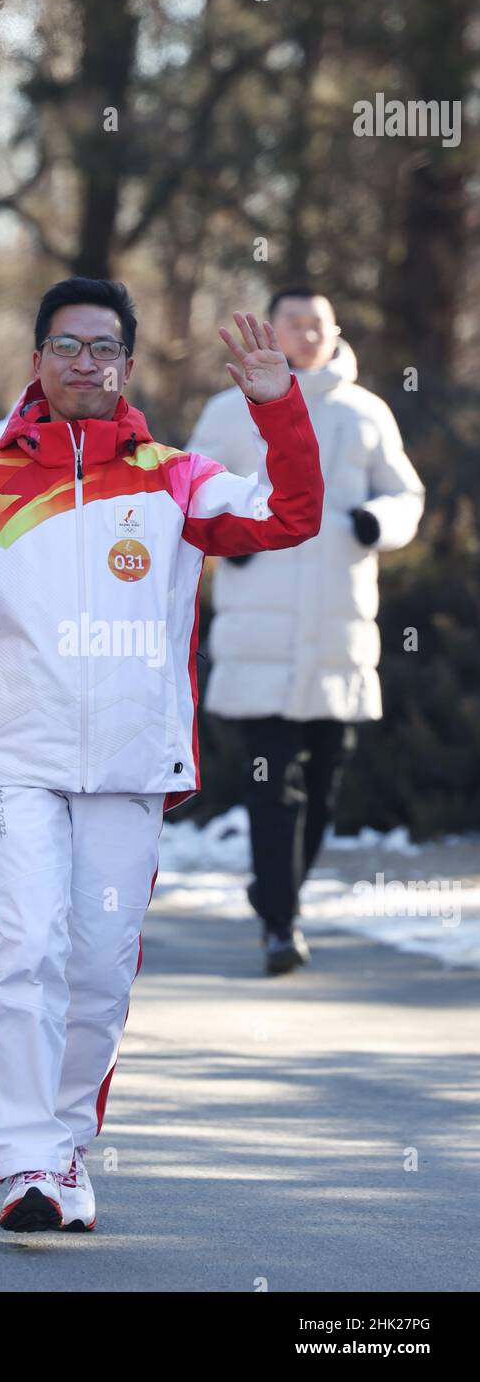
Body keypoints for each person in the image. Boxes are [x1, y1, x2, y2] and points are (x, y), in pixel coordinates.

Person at [0, 277, 324, 1232]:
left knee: (97, 973)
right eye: (66, 346)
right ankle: (27, 1167)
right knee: (30, 955)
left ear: (126, 363)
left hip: (130, 762)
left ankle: (67, 1144)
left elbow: (289, 517)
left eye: (103, 349)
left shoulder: (175, 476)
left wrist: (274, 404)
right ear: (38, 358)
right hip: (17, 756)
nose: (85, 363)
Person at [187, 287, 425, 977]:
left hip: (336, 634)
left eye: (317, 323)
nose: (306, 333)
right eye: (292, 322)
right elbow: (197, 485)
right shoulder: (230, 410)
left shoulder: (365, 412)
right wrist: (228, 537)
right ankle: (280, 925)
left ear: (334, 330)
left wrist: (376, 523)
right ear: (274, 329)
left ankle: (273, 892)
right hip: (257, 630)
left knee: (322, 785)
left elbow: (404, 492)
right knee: (272, 783)